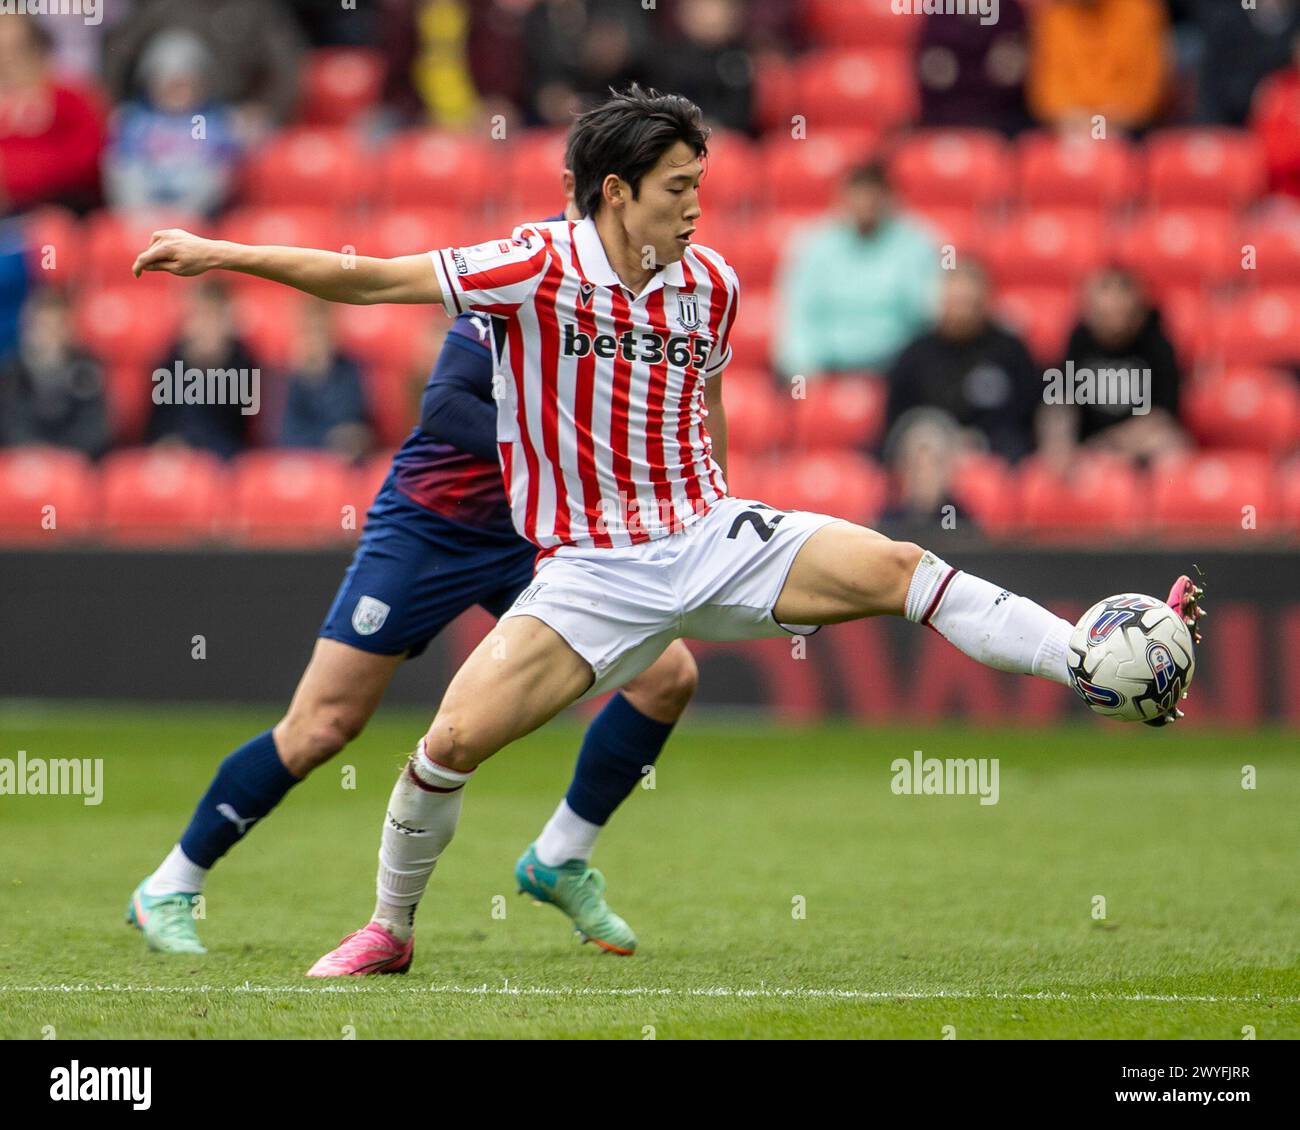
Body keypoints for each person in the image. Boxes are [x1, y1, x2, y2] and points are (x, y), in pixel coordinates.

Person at [132, 85, 1203, 977]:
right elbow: (370, 278)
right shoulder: (532, 265)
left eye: (702, 187)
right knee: (445, 747)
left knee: (900, 565)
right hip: (589, 568)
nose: (698, 208)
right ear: (617, 191)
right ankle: (389, 929)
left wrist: (731, 504)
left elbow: (708, 391)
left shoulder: (711, 284)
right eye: (679, 188)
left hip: (705, 529)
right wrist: (215, 251)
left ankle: (1091, 661)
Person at [125, 176, 699, 960]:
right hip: (431, 529)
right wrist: (565, 432)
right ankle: (170, 884)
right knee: (323, 726)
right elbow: (444, 409)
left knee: (667, 676)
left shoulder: (650, 303)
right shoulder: (524, 276)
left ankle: (560, 857)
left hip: (536, 542)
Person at [775, 160, 939, 379]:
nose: (865, 203)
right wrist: (804, 370)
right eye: (858, 195)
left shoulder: (918, 242)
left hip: (895, 368)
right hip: (827, 367)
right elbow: (798, 315)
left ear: (889, 198)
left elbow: (926, 315)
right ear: (842, 198)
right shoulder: (812, 244)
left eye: (873, 195)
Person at [885, 260, 1041, 464]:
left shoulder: (1010, 351)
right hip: (928, 453)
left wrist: (980, 440)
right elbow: (900, 419)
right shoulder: (915, 354)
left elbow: (1026, 413)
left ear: (984, 300)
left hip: (996, 452)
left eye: (967, 301)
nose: (961, 310)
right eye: (955, 300)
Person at [1039, 265, 1188, 468]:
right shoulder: (1079, 338)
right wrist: (1059, 443)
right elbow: (1060, 401)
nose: (1113, 324)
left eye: (1121, 314)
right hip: (1086, 444)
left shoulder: (1157, 343)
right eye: (1104, 315)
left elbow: (1162, 416)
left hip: (1135, 442)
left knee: (1172, 449)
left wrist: (1108, 446)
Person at [0, 288, 109, 457]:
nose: (49, 334)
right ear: (28, 327)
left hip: (74, 464)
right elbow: (8, 423)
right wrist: (33, 453)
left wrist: (61, 456)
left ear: (70, 329)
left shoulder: (88, 370)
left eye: (57, 326)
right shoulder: (11, 372)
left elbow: (95, 427)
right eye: (43, 325)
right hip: (21, 462)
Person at [276, 300, 373, 461]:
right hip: (302, 463)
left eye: (320, 331)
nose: (315, 339)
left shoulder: (352, 371)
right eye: (309, 331)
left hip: (344, 467)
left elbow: (354, 429)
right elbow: (282, 436)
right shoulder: (284, 377)